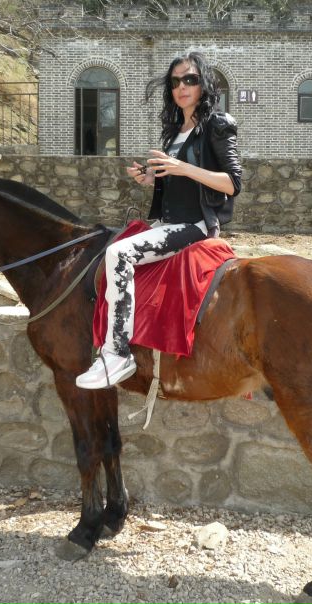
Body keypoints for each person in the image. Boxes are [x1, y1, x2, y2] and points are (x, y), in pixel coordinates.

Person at [76, 51, 242, 389]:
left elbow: (232, 183)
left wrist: (182, 167)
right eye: (175, 81)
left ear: (203, 84)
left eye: (190, 79)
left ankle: (117, 353)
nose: (182, 87)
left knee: (119, 254)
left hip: (195, 226)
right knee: (109, 248)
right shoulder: (175, 131)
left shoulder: (217, 124)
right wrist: (151, 178)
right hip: (168, 223)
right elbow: (178, 183)